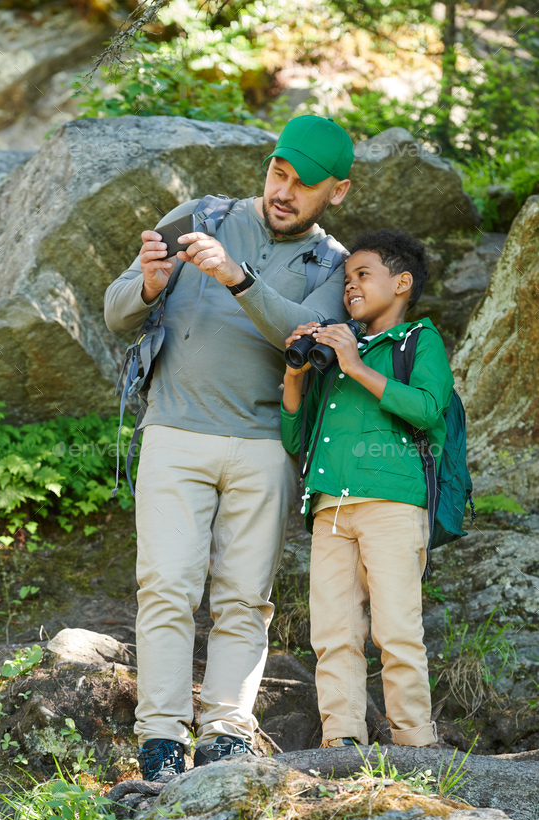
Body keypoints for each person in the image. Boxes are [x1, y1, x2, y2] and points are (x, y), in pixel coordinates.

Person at [104, 115, 355, 781]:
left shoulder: (334, 264)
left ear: (338, 192)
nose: (284, 190)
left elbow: (306, 334)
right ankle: (159, 740)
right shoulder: (201, 214)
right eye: (279, 171)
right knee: (166, 586)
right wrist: (150, 285)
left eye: (304, 184)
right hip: (174, 432)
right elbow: (115, 308)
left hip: (263, 446)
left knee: (245, 597)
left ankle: (226, 736)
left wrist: (238, 279)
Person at [280, 229, 454, 748]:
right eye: (346, 278)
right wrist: (294, 374)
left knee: (396, 631)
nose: (350, 286)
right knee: (333, 635)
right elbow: (296, 437)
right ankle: (341, 743)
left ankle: (416, 744)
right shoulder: (335, 353)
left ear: (402, 283)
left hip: (394, 506)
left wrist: (355, 364)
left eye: (363, 274)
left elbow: (426, 407)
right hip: (331, 507)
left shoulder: (418, 341)